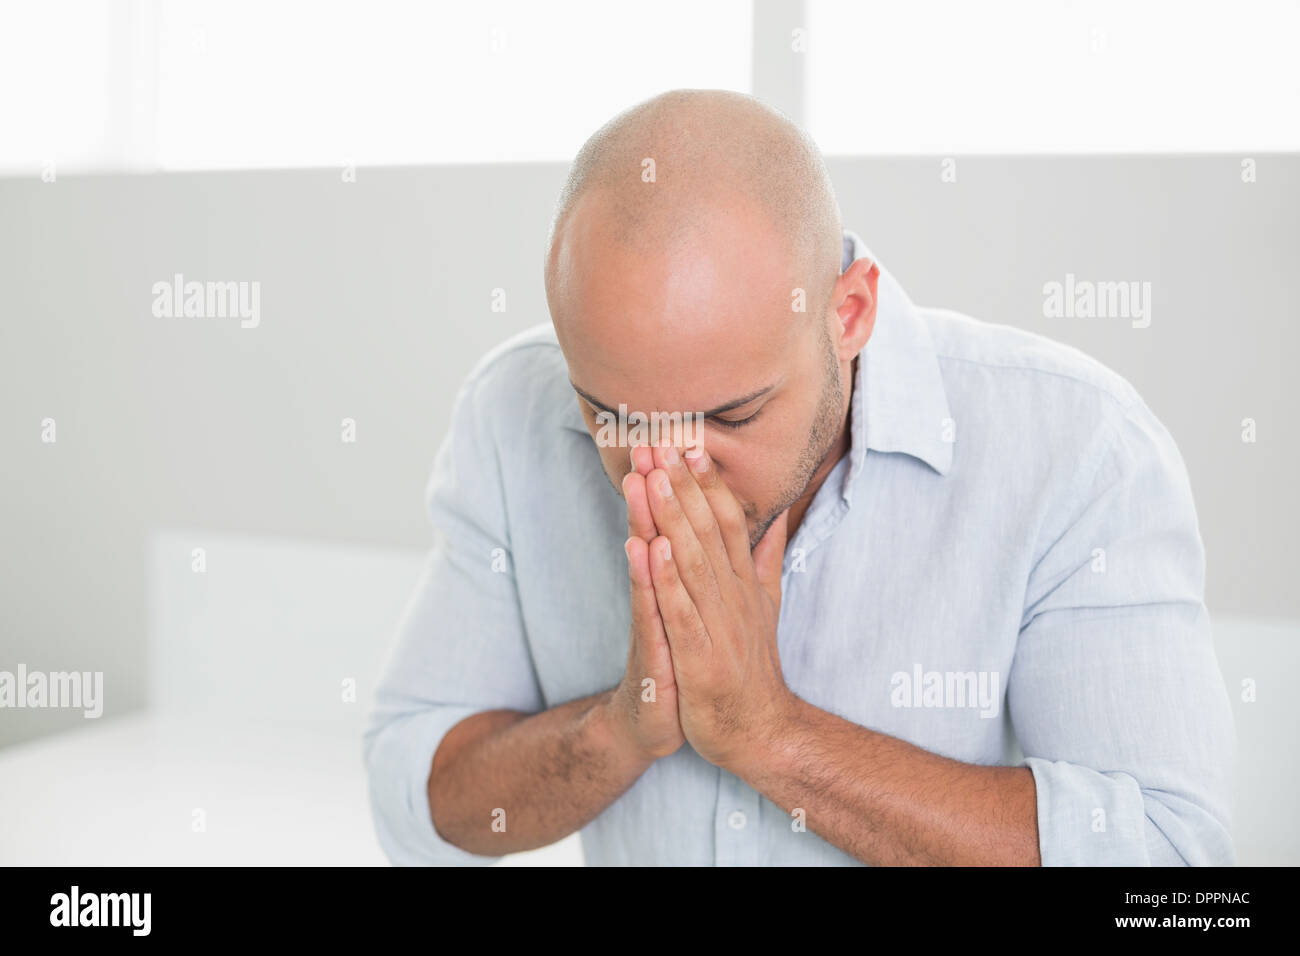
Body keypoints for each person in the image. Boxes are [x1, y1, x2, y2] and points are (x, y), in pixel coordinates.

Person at [363, 89, 1235, 866]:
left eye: (733, 415)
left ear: (849, 312)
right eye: (617, 419)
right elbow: (416, 801)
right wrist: (623, 729)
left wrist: (770, 734)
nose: (669, 472)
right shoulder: (512, 413)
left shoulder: (1080, 448)